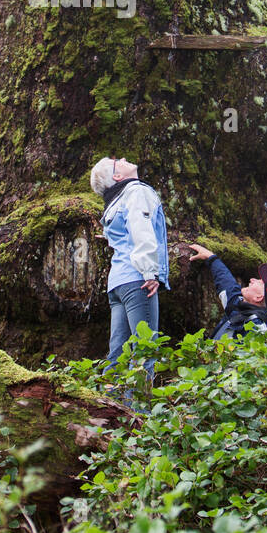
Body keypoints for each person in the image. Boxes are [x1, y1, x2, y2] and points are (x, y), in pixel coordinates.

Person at [90, 156, 170, 375]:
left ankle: (111, 405)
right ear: (117, 176)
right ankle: (139, 409)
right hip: (137, 279)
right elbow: (140, 228)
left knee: (117, 354)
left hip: (117, 283)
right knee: (144, 351)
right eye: (117, 161)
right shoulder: (136, 191)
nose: (123, 159)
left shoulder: (113, 202)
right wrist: (149, 272)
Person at [188, 243, 267, 341]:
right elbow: (227, 283)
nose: (252, 279)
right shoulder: (240, 307)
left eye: (259, 282)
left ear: (258, 297)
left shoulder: (260, 331)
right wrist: (211, 258)